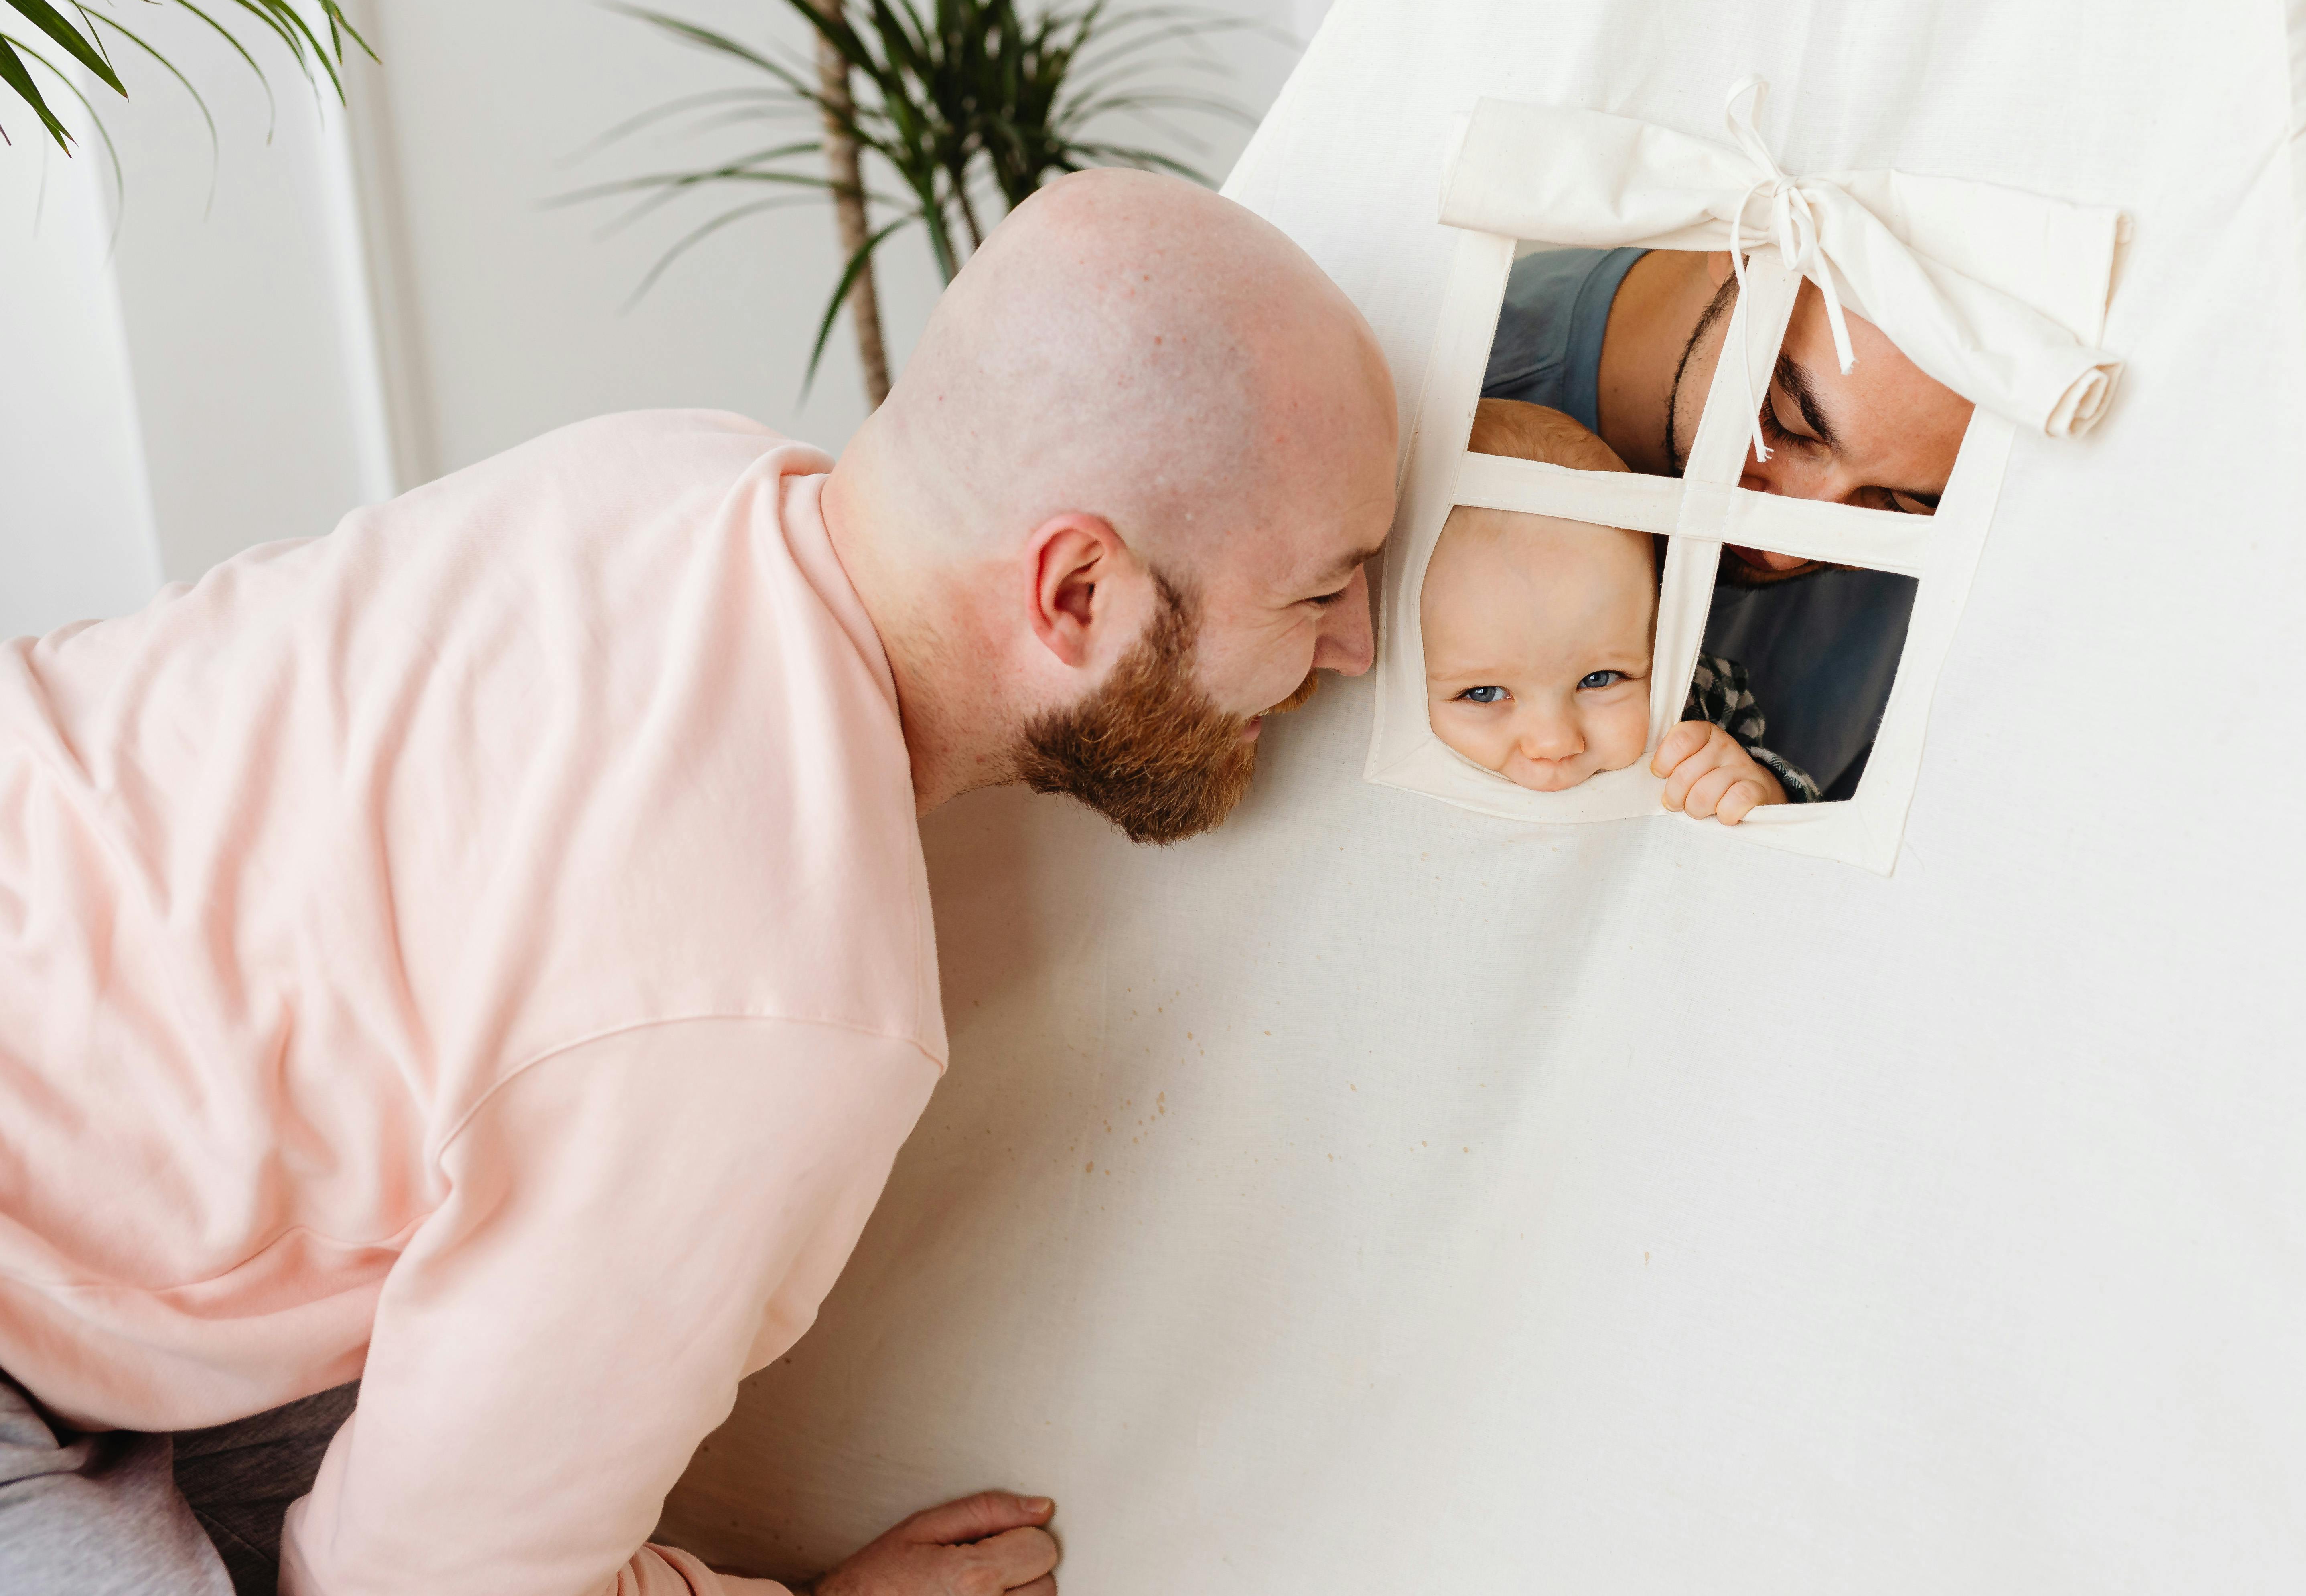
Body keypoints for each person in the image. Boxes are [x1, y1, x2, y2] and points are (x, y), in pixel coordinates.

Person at [0, 170, 1399, 1596]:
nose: (1356, 644)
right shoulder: (778, 1001)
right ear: (1075, 592)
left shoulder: (682, 473)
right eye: (1315, 590)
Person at [1484, 248, 1971, 798]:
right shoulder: (1451, 399)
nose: (1783, 554)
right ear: (1743, 249)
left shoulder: (1961, 545)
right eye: (1784, 426)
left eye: (1899, 505)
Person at [1421, 401, 1811, 821]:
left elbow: (1800, 826)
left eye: (1599, 679)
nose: (1554, 744)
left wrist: (1758, 791)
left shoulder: (1693, 703)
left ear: (1657, 635)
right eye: (1483, 694)